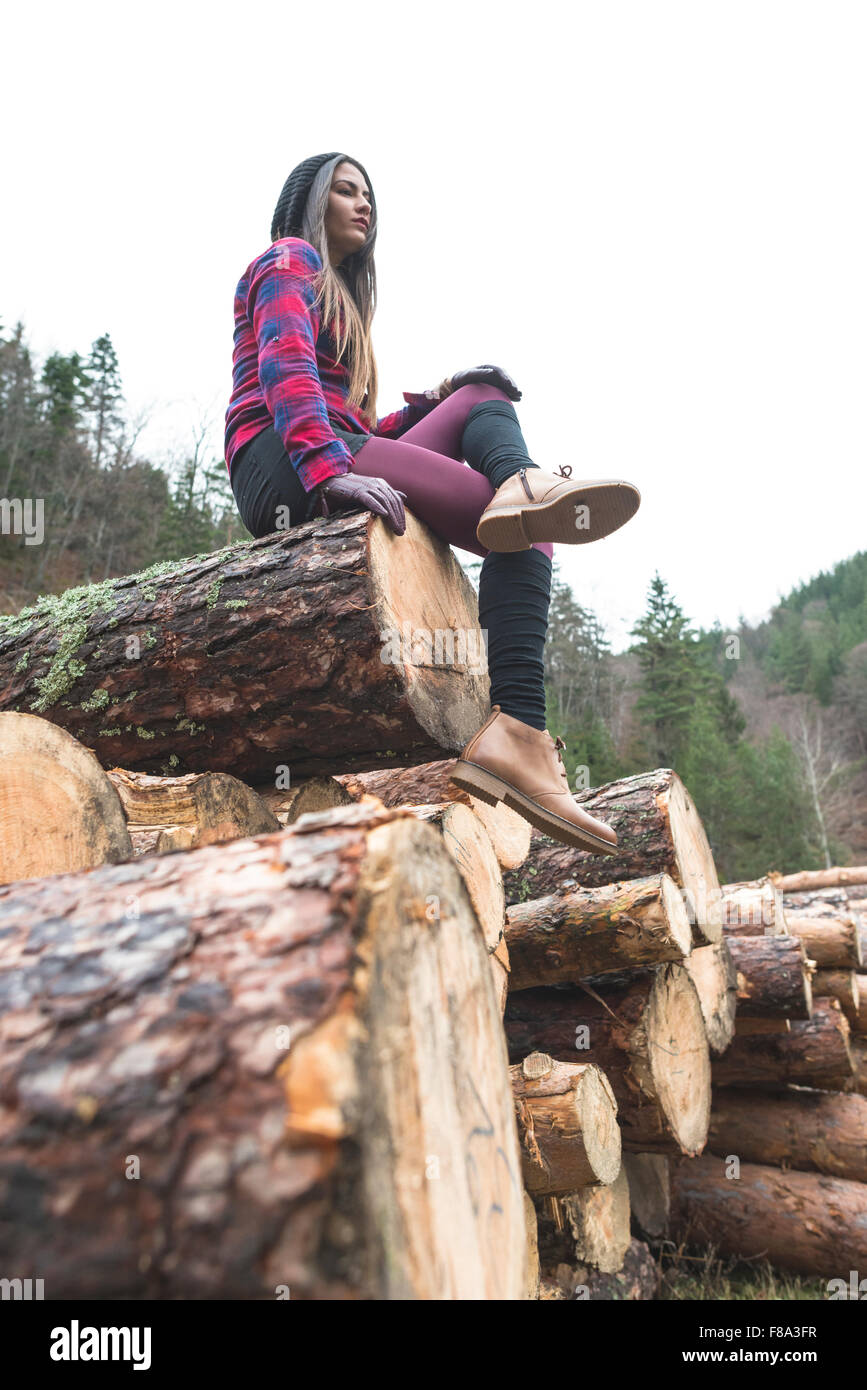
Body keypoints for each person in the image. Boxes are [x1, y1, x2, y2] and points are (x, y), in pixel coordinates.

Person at [224, 151, 641, 851]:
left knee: (493, 431)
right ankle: (520, 729)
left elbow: (366, 430)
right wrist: (327, 472)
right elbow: (284, 370)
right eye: (345, 191)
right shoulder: (288, 259)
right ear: (309, 201)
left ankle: (518, 728)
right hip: (281, 460)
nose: (364, 206)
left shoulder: (345, 304)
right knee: (514, 511)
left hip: (321, 445)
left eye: (370, 196)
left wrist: (439, 397)